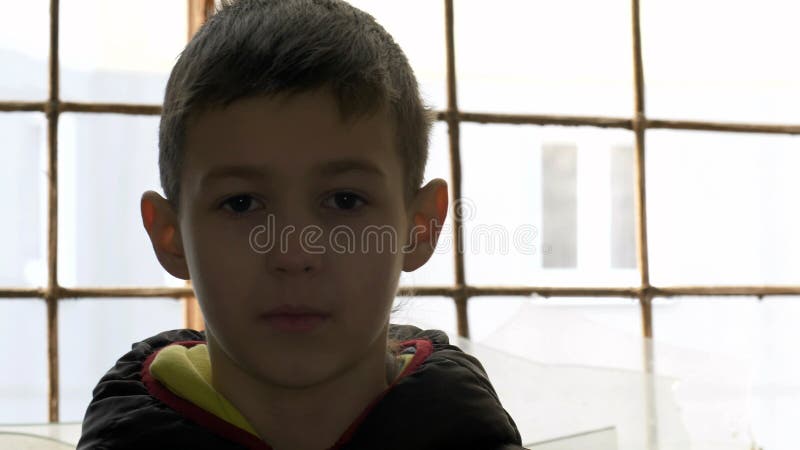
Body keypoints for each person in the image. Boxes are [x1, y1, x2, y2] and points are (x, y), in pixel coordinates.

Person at [77, 1, 526, 449]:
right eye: (241, 203)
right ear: (170, 237)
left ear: (421, 226)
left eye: (345, 201)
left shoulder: (468, 434)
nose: (293, 255)